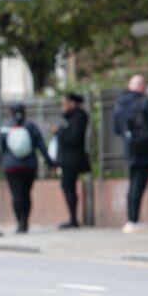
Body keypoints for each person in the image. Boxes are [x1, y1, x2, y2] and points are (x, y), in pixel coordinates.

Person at [112, 74, 148, 233]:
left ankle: (131, 218)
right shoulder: (143, 102)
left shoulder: (120, 103)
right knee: (139, 184)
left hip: (129, 149)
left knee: (133, 184)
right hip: (144, 149)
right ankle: (134, 219)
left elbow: (116, 128)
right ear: (141, 86)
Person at [0, 104, 52, 233]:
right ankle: (25, 221)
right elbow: (41, 146)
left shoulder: (6, 127)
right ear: (25, 112)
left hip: (11, 166)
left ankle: (19, 223)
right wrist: (50, 163)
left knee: (16, 195)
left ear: (11, 112)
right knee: (26, 194)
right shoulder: (31, 127)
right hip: (29, 166)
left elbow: (0, 148)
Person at [51, 93, 91, 229]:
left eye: (65, 102)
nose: (63, 106)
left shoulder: (79, 117)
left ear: (72, 103)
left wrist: (58, 132)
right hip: (65, 158)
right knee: (67, 187)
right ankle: (72, 218)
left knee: (69, 187)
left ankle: (73, 219)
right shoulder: (67, 118)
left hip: (72, 159)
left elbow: (73, 138)